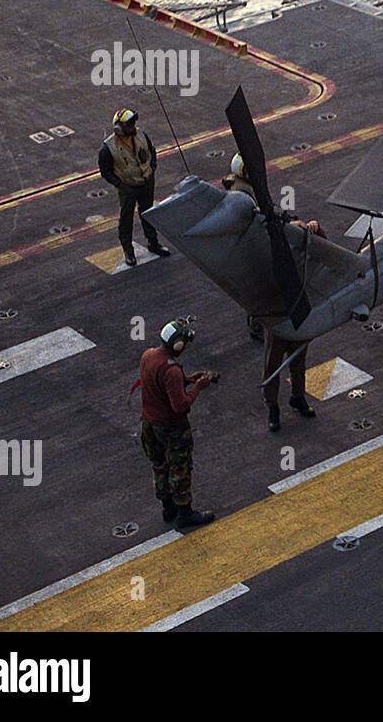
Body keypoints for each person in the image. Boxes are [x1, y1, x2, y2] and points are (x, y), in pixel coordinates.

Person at [134, 320, 215, 528]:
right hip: (171, 428)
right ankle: (185, 513)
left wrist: (185, 380)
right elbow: (180, 406)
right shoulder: (171, 370)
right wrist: (197, 388)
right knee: (179, 467)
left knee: (159, 465)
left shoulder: (148, 356)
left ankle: (167, 507)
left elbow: (157, 383)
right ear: (177, 344)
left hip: (149, 424)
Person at [98, 109, 171, 266]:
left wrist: (152, 168)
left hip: (146, 182)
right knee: (126, 219)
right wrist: (119, 184)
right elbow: (105, 171)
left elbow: (151, 151)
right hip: (128, 187)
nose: (134, 127)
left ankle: (153, 242)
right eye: (130, 125)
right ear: (120, 128)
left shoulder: (141, 135)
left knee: (148, 213)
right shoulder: (108, 148)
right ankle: (128, 251)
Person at [222, 153, 265, 341]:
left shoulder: (242, 187)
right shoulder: (242, 192)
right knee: (259, 289)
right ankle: (256, 327)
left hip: (248, 244)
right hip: (249, 247)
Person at [262, 329, 314, 433]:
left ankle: (298, 396)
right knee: (272, 366)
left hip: (297, 322)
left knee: (298, 362)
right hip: (276, 322)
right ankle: (272, 407)